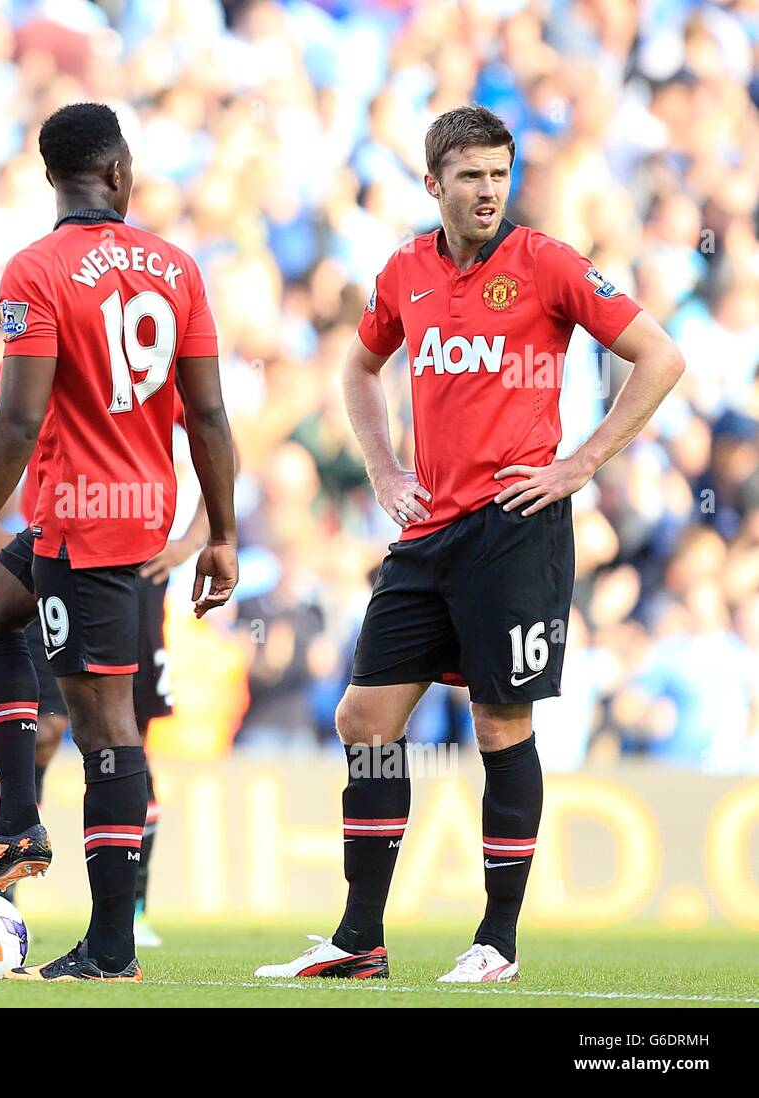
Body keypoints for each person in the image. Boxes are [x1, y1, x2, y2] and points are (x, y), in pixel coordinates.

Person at [254, 105, 684, 983]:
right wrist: (382, 469)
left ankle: (497, 944)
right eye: (471, 177)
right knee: (364, 719)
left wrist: (580, 463)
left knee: (498, 722)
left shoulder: (548, 263)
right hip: (427, 530)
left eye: (500, 174)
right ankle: (360, 939)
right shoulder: (404, 270)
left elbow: (660, 357)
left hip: (515, 528)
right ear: (433, 184)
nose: (489, 191)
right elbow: (358, 367)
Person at [0, 103, 238, 982]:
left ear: (51, 178)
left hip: (85, 525)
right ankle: (20, 824)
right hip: (124, 516)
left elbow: (16, 417)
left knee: (106, 729)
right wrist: (221, 533)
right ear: (120, 173)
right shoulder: (177, 267)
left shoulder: (36, 269)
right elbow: (209, 413)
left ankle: (111, 948)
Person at [0, 363, 211, 946]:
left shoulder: (144, 357)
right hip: (54, 547)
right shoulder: (31, 359)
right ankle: (13, 857)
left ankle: (126, 914)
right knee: (57, 723)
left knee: (121, 729)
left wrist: (193, 541)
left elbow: (212, 430)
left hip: (133, 558)